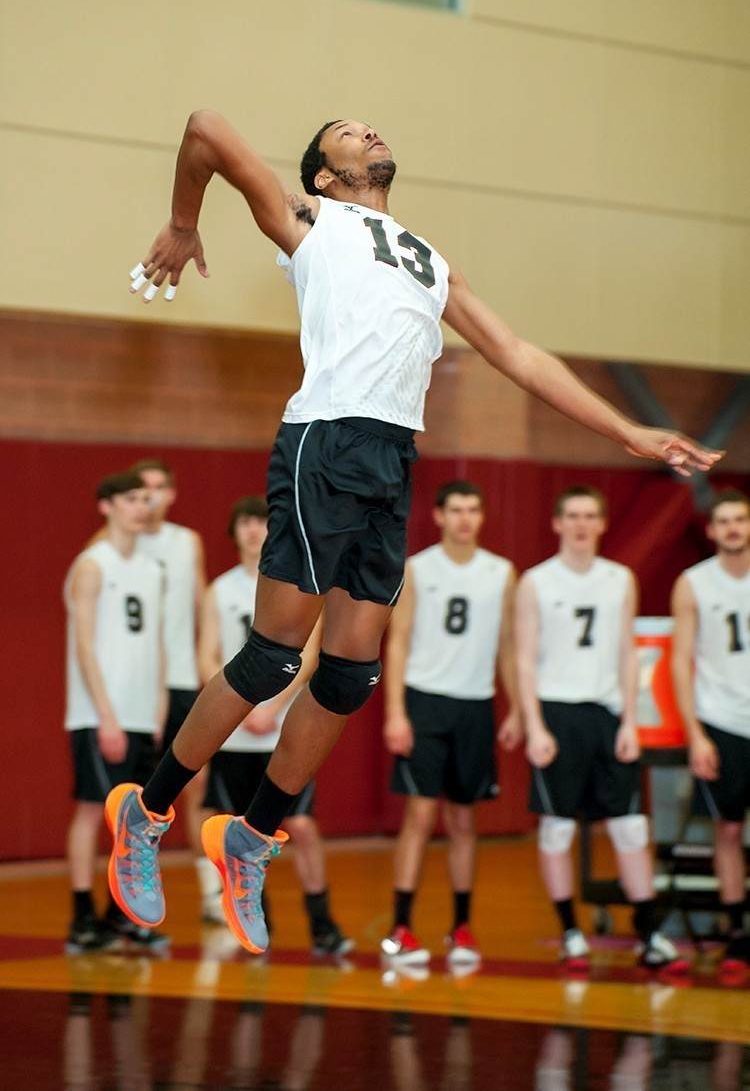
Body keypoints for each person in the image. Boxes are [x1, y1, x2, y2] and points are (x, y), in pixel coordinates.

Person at [107, 110, 722, 956]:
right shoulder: (311, 220)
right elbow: (206, 129)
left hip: (394, 456)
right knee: (274, 658)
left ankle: (249, 837)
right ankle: (145, 811)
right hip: (326, 440)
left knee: (348, 676)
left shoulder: (428, 258)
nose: (369, 132)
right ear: (324, 174)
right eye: (348, 132)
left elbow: (519, 354)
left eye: (371, 126)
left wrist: (629, 432)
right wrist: (183, 224)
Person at [515, 485, 683, 969]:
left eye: (589, 515)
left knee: (630, 828)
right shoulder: (536, 582)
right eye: (572, 515)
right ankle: (570, 932)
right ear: (557, 523)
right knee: (557, 831)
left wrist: (631, 720)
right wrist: (534, 725)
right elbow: (524, 659)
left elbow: (629, 654)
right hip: (557, 714)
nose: (581, 524)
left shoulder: (619, 580)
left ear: (602, 523)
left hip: (609, 715)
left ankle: (650, 936)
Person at [198, 495, 354, 956]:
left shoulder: (300, 586)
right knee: (239, 832)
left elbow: (309, 656)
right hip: (234, 736)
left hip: (283, 731)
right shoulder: (219, 590)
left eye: (262, 521)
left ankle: (323, 923)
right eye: (245, 522)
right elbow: (206, 656)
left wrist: (272, 707)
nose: (253, 530)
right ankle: (253, 918)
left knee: (301, 825)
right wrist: (238, 706)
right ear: (234, 532)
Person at [382, 480, 520, 968]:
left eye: (473, 509)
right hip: (425, 701)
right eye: (456, 509)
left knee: (463, 820)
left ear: (482, 517)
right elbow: (397, 641)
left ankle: (461, 928)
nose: (464, 518)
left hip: (475, 705)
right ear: (439, 516)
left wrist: (517, 708)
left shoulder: (501, 573)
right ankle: (401, 927)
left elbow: (507, 647)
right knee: (420, 816)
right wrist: (396, 712)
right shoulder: (418, 569)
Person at [64, 472, 167, 953]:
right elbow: (84, 647)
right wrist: (106, 716)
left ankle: (120, 915)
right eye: (131, 499)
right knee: (92, 810)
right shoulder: (92, 566)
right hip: (98, 713)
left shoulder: (151, 570)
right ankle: (82, 916)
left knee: (137, 822)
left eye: (147, 499)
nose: (142, 507)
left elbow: (157, 644)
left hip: (143, 714)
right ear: (106, 506)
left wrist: (159, 710)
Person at [670, 488, 750, 971]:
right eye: (724, 521)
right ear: (711, 530)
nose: (733, 528)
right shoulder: (694, 584)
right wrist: (696, 733)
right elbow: (679, 662)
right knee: (729, 828)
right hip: (721, 721)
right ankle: (737, 931)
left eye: (740, 519)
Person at [130, 459, 208, 885]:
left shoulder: (186, 542)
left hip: (181, 677)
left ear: (172, 493)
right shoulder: (118, 543)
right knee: (136, 793)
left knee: (197, 784)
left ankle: (211, 891)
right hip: (138, 687)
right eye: (143, 490)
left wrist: (206, 663)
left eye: (159, 487)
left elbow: (202, 605)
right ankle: (133, 887)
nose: (152, 497)